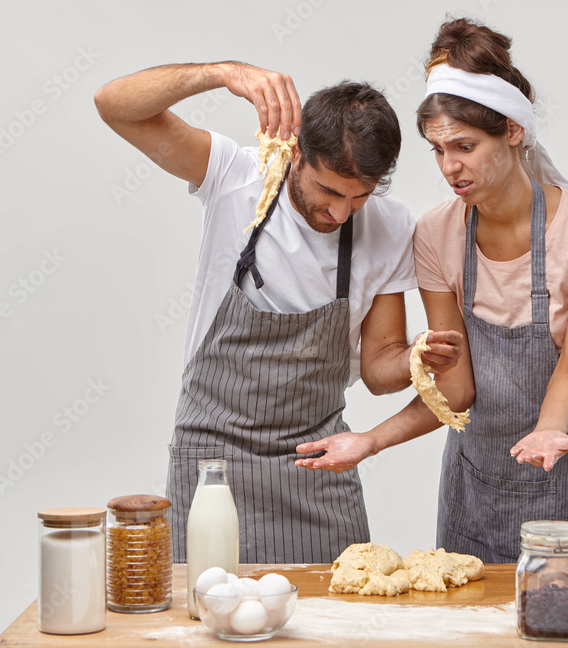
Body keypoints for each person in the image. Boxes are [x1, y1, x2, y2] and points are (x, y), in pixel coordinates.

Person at [297, 19, 568, 563]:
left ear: (513, 131)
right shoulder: (436, 234)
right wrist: (369, 440)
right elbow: (455, 392)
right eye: (437, 149)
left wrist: (548, 432)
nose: (449, 166)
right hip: (474, 492)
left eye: (465, 145)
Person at [93, 61, 461, 564]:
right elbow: (114, 106)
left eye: (359, 197)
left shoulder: (389, 226)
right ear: (294, 154)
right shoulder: (235, 175)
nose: (339, 214)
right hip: (211, 460)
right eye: (329, 191)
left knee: (335, 627)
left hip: (317, 463)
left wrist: (417, 360)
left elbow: (379, 369)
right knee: (202, 618)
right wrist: (220, 73)